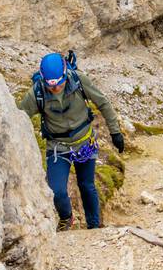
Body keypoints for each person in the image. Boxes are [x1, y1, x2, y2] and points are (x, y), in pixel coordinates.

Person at [17, 51, 125, 231]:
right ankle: (66, 217)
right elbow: (18, 117)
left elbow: (103, 102)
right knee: (57, 191)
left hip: (85, 142)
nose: (55, 89)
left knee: (87, 185)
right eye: (51, 87)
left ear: (65, 74)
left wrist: (115, 132)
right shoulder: (36, 93)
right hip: (58, 146)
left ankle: (94, 226)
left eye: (59, 84)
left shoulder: (79, 80)